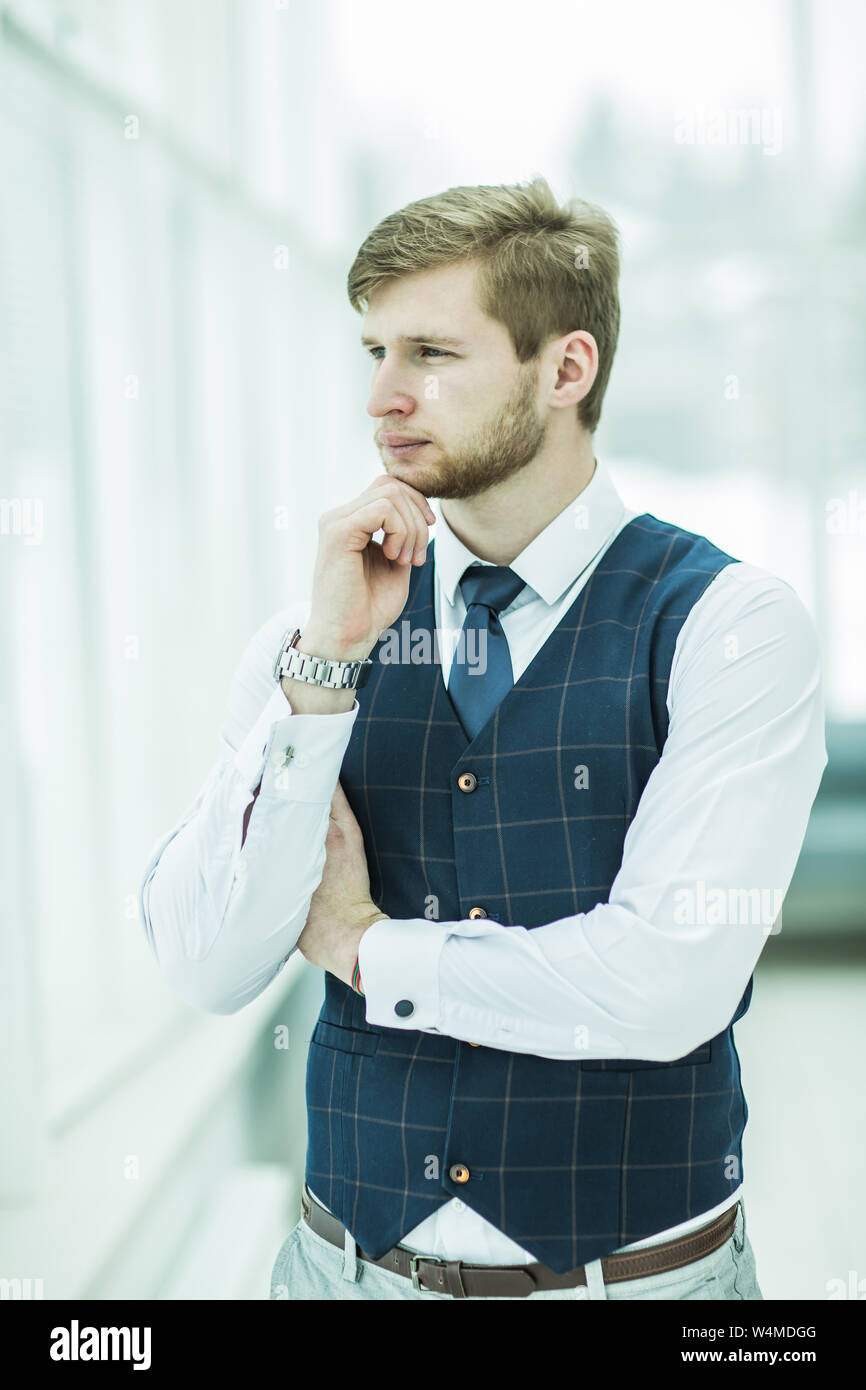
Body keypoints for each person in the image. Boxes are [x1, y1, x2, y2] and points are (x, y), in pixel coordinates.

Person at [139, 177, 827, 1301]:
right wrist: (321, 674)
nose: (382, 397)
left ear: (564, 370)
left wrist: (369, 949)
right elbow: (207, 962)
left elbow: (666, 981)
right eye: (373, 350)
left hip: (642, 1286)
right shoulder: (319, 631)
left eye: (430, 354)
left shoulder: (728, 626)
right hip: (339, 1271)